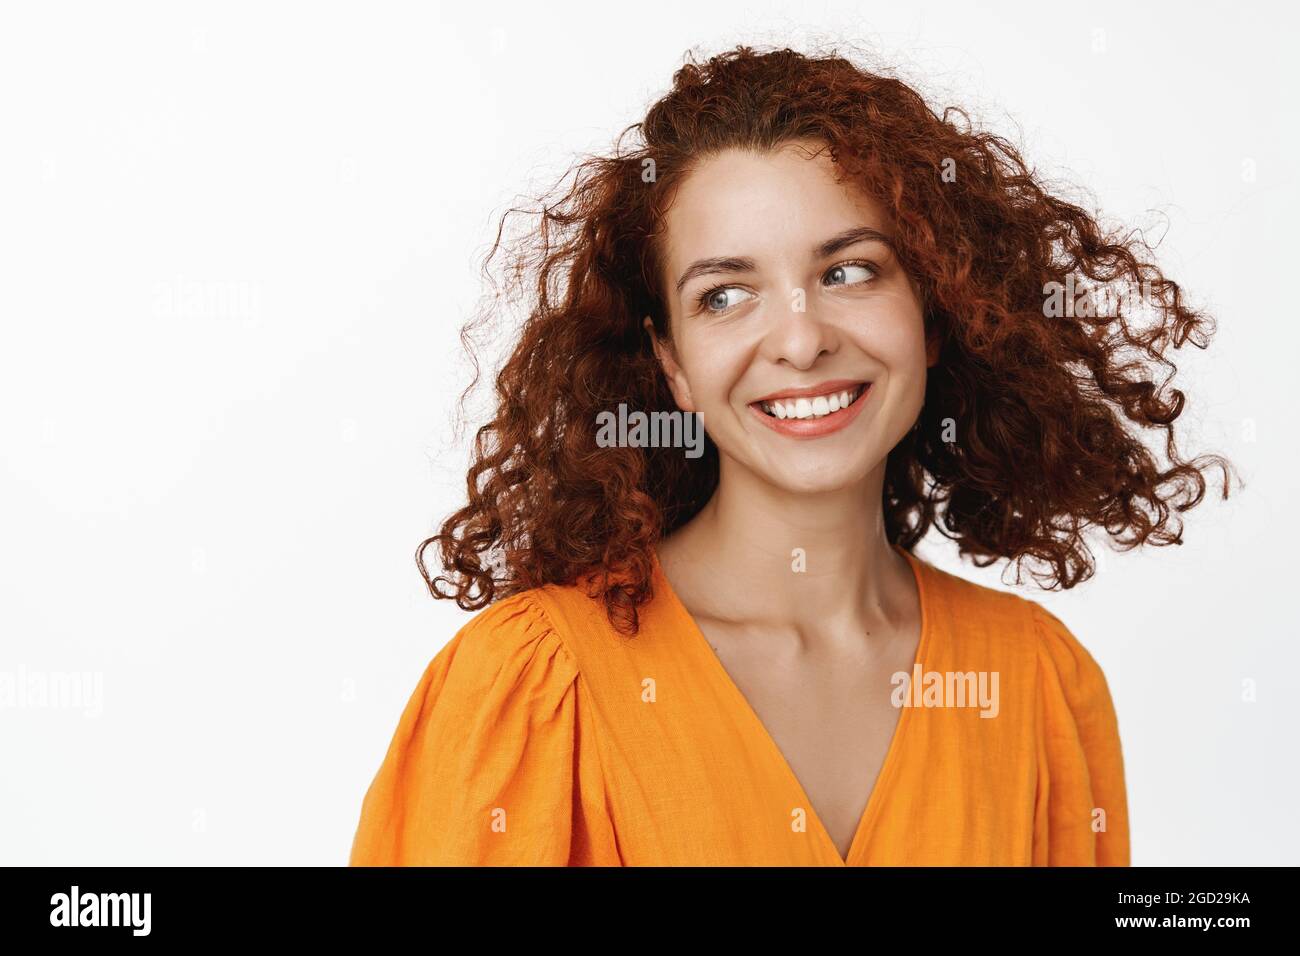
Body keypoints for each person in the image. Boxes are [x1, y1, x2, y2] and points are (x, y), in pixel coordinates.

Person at [348, 44, 1233, 866]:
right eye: (726, 295)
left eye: (849, 272)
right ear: (672, 366)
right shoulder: (532, 686)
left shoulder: (1039, 682)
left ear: (934, 312)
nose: (801, 341)